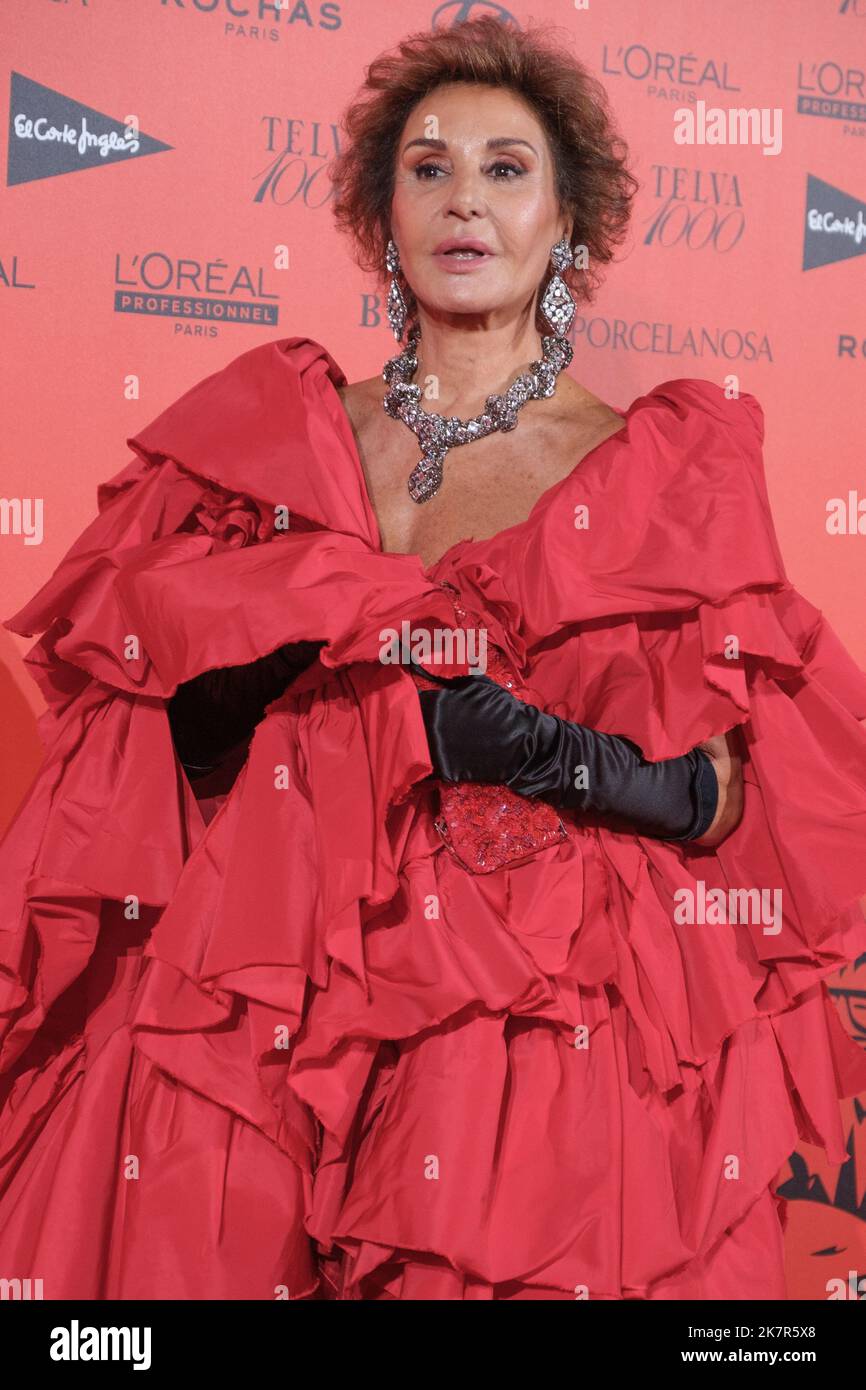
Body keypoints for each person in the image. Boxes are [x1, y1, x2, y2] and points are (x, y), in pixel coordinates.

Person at [1, 16, 866, 1302]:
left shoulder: (651, 459)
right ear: (380, 212)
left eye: (506, 169)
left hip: (516, 1018)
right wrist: (255, 690)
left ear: (564, 224)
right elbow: (137, 732)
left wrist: (530, 752)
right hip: (256, 982)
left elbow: (721, 788)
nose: (464, 196)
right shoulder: (271, 436)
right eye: (428, 165)